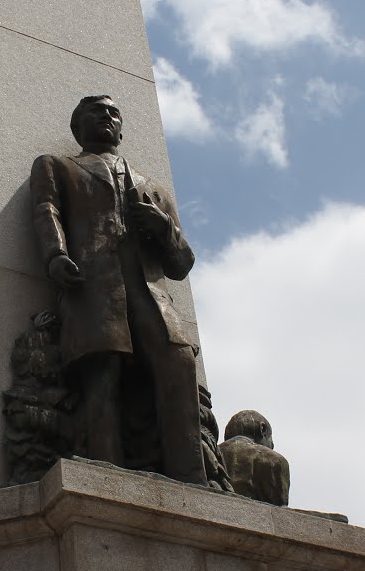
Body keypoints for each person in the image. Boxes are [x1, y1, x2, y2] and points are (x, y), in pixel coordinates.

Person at [29, 94, 206, 485]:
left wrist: (164, 229)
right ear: (77, 127)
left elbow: (182, 264)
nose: (107, 117)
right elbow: (47, 210)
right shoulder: (57, 166)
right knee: (101, 375)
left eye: (114, 113)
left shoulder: (153, 188)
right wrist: (55, 255)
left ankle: (193, 478)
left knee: (178, 362)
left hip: (151, 296)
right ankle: (107, 476)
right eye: (97, 112)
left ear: (122, 129)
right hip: (93, 288)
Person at [218, 410, 290, 506]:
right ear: (262, 429)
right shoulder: (275, 460)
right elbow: (280, 510)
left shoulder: (209, 453)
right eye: (270, 437)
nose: (272, 445)